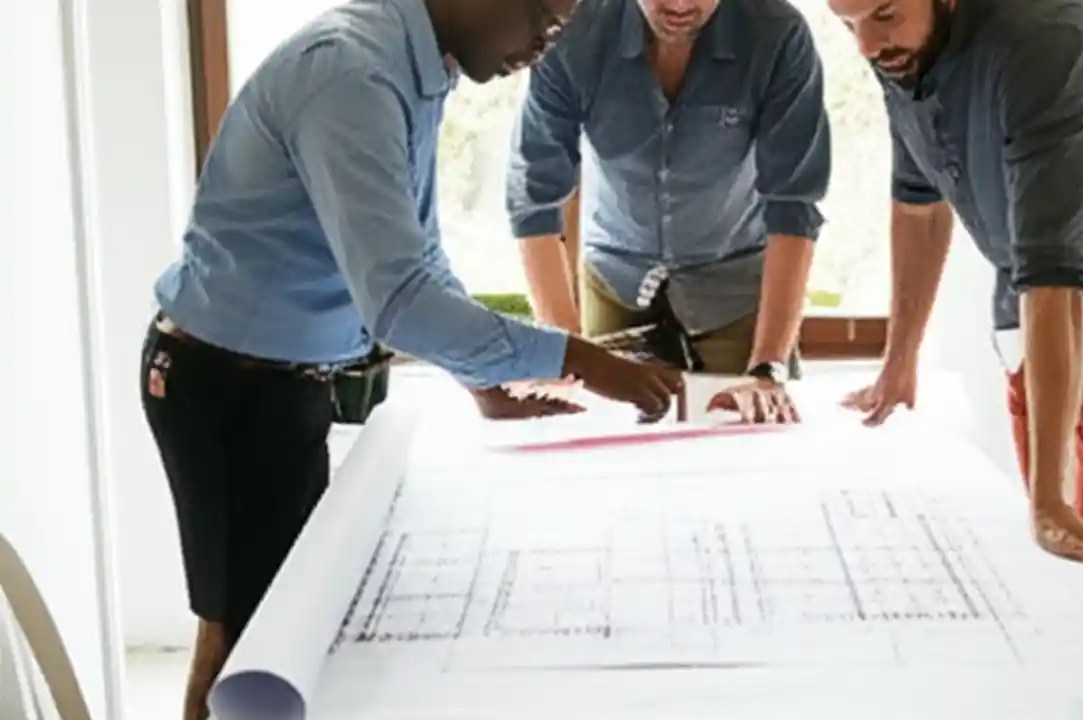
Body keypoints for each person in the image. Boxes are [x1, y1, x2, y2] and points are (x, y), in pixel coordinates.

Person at [140, 0, 684, 716]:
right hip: (221, 384)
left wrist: (482, 378)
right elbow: (397, 301)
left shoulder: (418, 69)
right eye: (542, 24)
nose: (542, 49)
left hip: (285, 383)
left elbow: (417, 258)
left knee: (276, 629)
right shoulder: (351, 74)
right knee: (246, 650)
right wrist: (580, 359)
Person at [831, 0, 1083, 619]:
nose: (865, 46)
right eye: (846, 23)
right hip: (1031, 314)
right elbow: (917, 203)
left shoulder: (1044, 43)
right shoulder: (900, 46)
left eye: (882, 15)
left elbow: (1056, 272)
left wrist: (1048, 497)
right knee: (1053, 579)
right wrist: (899, 359)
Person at [506, 0, 831, 423]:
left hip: (734, 286)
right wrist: (564, 351)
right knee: (609, 443)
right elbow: (535, 201)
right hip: (616, 277)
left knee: (750, 434)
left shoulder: (778, 34)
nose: (679, 3)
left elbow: (793, 206)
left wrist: (769, 365)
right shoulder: (572, 31)